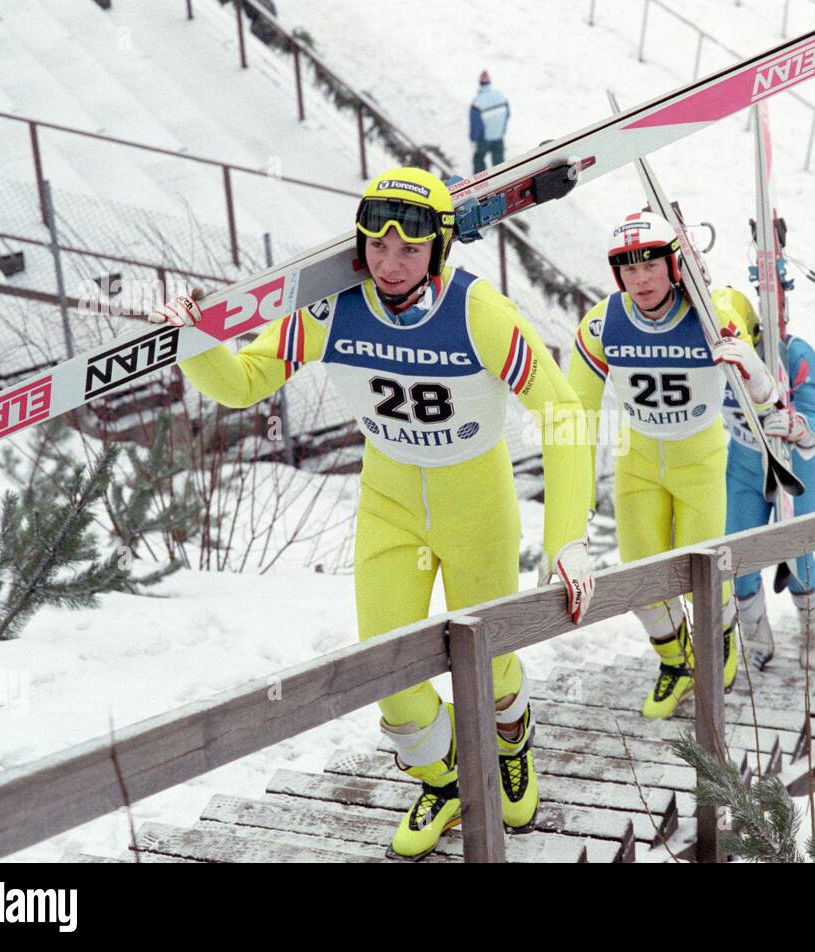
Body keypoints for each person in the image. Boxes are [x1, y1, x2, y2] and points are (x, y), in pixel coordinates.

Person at [147, 167, 595, 860]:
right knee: (386, 673)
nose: (389, 264)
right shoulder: (331, 309)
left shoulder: (481, 313)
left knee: (493, 664)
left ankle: (512, 741)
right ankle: (444, 783)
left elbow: (564, 413)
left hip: (477, 504)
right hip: (389, 505)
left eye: (409, 250)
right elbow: (243, 384)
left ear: (439, 250)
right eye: (376, 247)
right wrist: (199, 344)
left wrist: (568, 539)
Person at [567, 212, 777, 718]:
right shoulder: (602, 322)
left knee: (703, 572)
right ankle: (675, 663)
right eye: (628, 269)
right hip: (637, 462)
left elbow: (765, 398)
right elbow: (573, 417)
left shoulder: (710, 312)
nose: (640, 280)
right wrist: (570, 510)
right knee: (641, 581)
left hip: (698, 459)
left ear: (674, 265)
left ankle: (718, 641)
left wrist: (750, 368)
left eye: (650, 266)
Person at [714, 286, 815, 671]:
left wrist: (798, 425)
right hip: (745, 462)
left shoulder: (795, 353)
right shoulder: (712, 358)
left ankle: (813, 630)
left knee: (798, 554)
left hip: (794, 464)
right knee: (737, 557)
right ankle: (756, 634)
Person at [470, 70, 510, 174]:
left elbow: (476, 124)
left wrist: (474, 138)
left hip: (484, 139)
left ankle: (480, 182)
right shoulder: (500, 96)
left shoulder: (478, 101)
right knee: (499, 164)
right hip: (498, 136)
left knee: (478, 159)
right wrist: (502, 130)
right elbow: (507, 114)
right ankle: (501, 181)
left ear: (480, 83)